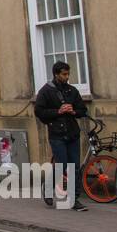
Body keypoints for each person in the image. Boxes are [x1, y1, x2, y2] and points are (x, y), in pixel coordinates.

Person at [34, 60, 88, 211]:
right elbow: (39, 112)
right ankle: (48, 189)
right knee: (62, 165)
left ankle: (74, 200)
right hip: (57, 134)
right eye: (64, 74)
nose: (67, 77)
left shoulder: (72, 91)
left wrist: (74, 111)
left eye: (68, 74)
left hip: (72, 133)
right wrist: (58, 111)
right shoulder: (46, 91)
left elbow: (83, 110)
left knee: (74, 167)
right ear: (56, 74)